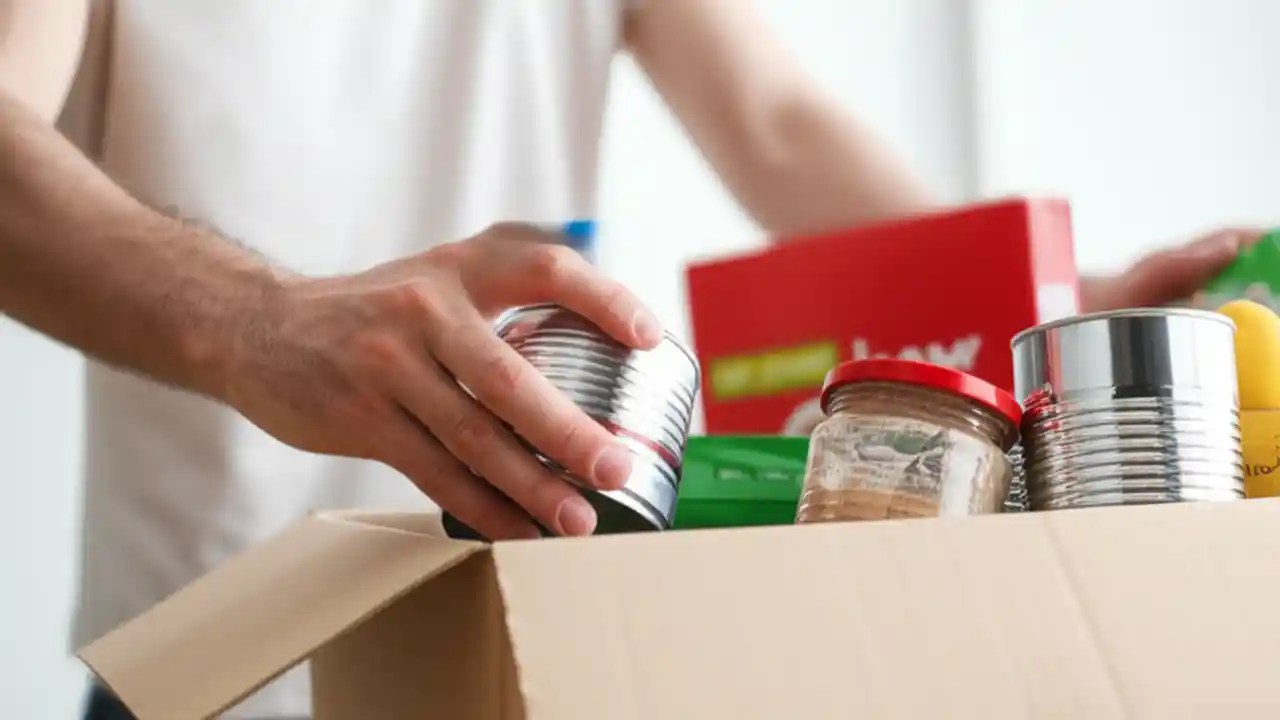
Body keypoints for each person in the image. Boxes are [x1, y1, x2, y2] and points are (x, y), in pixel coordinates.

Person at [0, 1, 1258, 717]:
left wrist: (1063, 301)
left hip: (531, 644)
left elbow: (775, 123)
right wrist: (256, 319)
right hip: (226, 656)